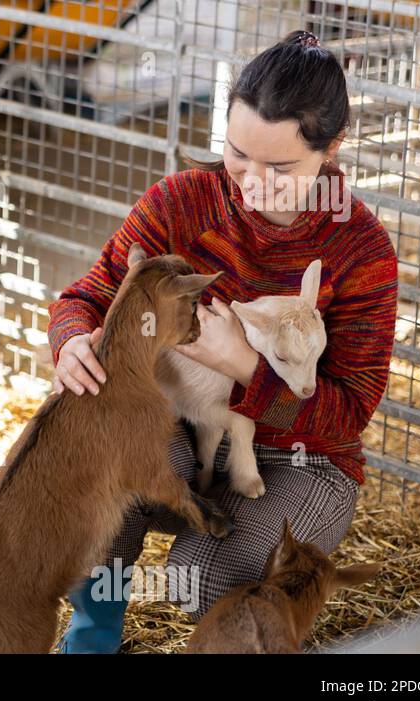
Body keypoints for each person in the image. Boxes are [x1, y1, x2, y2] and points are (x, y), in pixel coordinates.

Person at [46, 30, 398, 653]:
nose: (252, 182)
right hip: (184, 428)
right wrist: (72, 341)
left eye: (280, 167)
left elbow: (349, 413)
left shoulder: (359, 248)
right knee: (93, 452)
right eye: (238, 154)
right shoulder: (180, 203)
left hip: (300, 456)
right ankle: (91, 636)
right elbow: (88, 297)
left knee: (198, 583)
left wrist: (244, 368)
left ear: (333, 149)